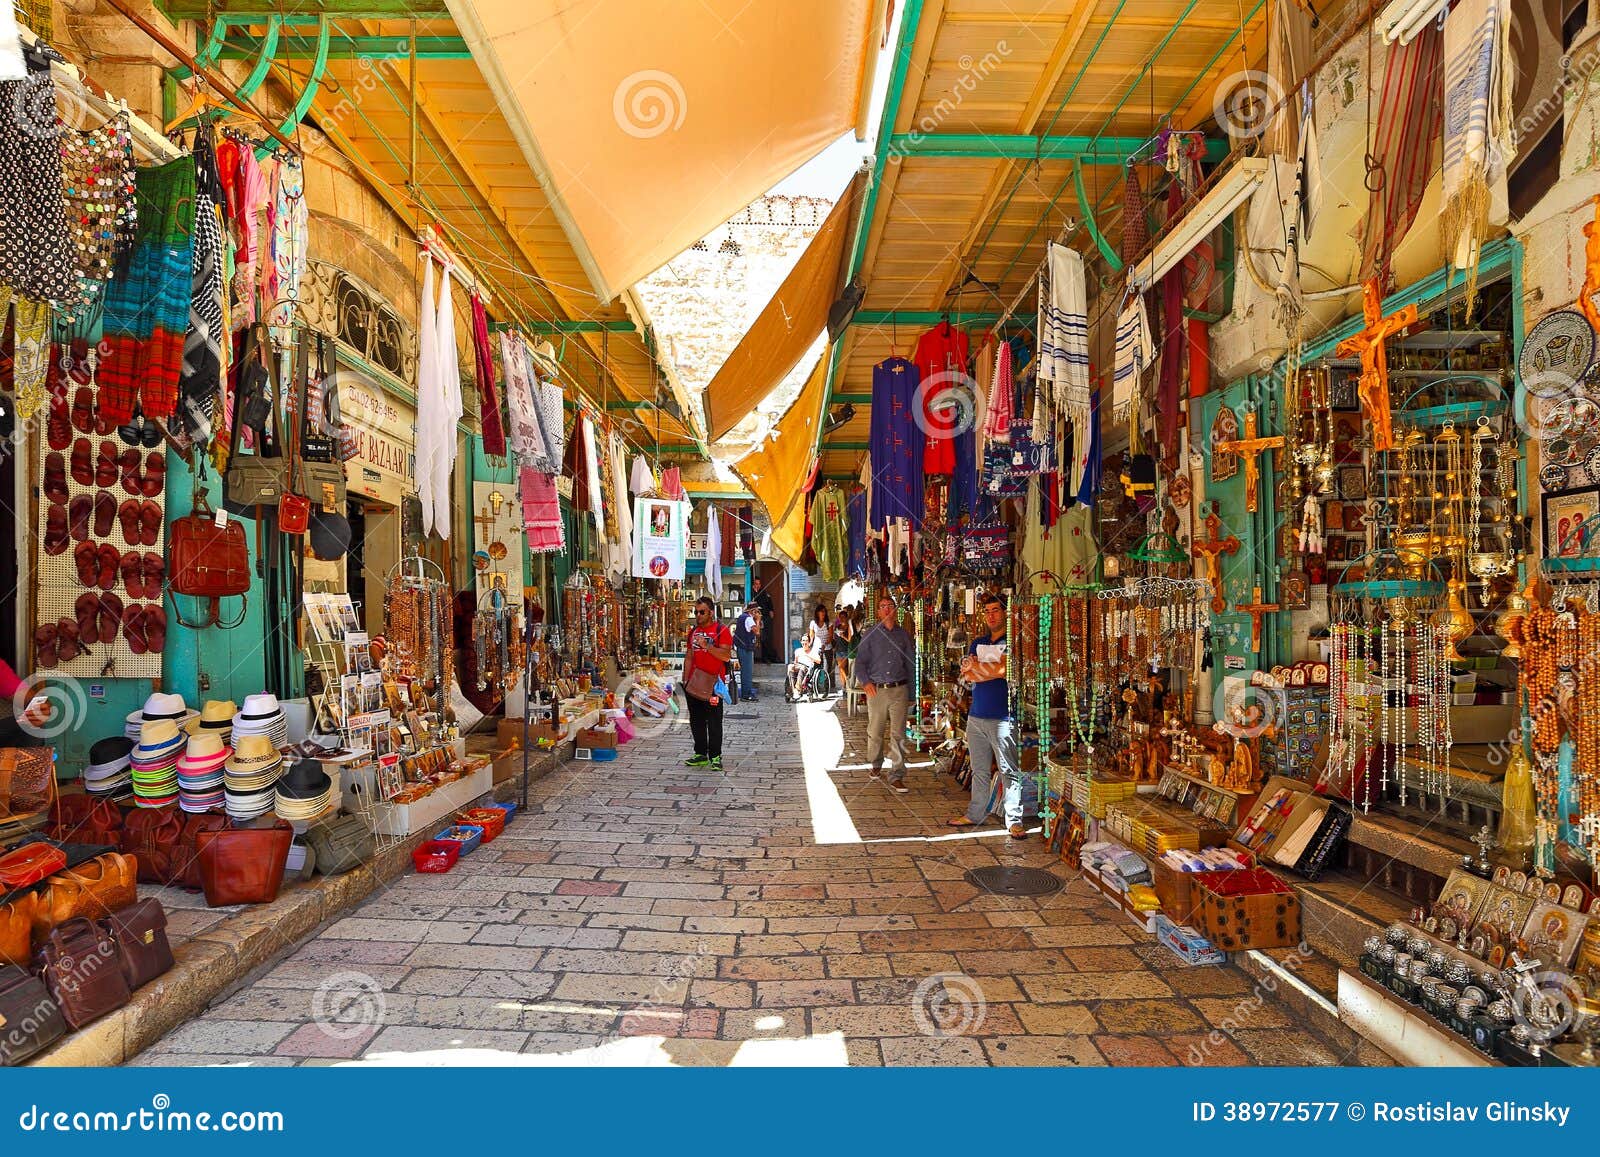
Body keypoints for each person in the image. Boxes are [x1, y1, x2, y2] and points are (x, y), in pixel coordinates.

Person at [949, 593, 1026, 838]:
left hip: (1004, 717)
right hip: (976, 716)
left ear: (1005, 613)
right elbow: (969, 677)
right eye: (988, 611)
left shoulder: (1012, 641)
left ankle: (1014, 820)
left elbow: (1005, 670)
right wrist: (989, 670)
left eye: (995, 610)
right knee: (980, 770)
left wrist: (981, 668)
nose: (991, 615)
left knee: (1009, 770)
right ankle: (975, 814)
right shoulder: (977, 643)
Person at [853, 594, 915, 793]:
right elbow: (860, 662)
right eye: (883, 606)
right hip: (877, 691)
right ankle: (876, 763)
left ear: (895, 610)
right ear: (878, 611)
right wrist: (865, 682)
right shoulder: (870, 634)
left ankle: (897, 774)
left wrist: (912, 694)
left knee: (898, 734)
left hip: (899, 689)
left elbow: (910, 664)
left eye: (890, 605)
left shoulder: (904, 635)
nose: (887, 609)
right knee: (875, 731)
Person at [682, 596, 733, 769]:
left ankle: (716, 756)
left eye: (702, 612)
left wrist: (707, 646)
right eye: (696, 612)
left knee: (714, 721)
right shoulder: (693, 631)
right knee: (696, 720)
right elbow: (689, 656)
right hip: (695, 682)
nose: (698, 615)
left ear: (710, 612)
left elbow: (726, 655)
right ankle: (700, 753)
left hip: (713, 683)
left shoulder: (721, 630)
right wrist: (685, 679)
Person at [731, 602, 760, 704]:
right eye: (757, 611)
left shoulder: (742, 617)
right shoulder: (748, 619)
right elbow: (757, 632)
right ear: (753, 611)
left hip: (741, 647)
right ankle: (746, 694)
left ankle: (746, 693)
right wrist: (758, 620)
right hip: (745, 648)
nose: (758, 613)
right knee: (747, 671)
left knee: (745, 671)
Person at [808, 605, 833, 694]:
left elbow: (830, 637)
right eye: (821, 611)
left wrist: (824, 644)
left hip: (827, 649)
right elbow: (811, 636)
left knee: (826, 668)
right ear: (817, 613)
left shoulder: (828, 623)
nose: (823, 613)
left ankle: (824, 686)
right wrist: (808, 646)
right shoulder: (813, 623)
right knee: (815, 667)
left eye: (824, 611)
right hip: (816, 649)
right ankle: (817, 685)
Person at [832, 605, 857, 693]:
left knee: (842, 667)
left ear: (846, 618)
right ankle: (844, 687)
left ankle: (847, 684)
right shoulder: (837, 627)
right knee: (841, 669)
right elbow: (834, 638)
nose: (842, 618)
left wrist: (843, 636)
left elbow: (850, 640)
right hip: (839, 651)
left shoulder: (849, 627)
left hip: (847, 650)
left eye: (843, 617)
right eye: (840, 617)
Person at [750, 577, 775, 661]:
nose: (757, 585)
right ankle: (762, 657)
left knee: (766, 637)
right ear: (753, 584)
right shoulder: (750, 592)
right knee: (759, 637)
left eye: (759, 584)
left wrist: (771, 610)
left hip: (765, 617)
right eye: (756, 584)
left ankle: (767, 657)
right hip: (755, 619)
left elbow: (769, 601)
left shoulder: (764, 592)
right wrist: (754, 592)